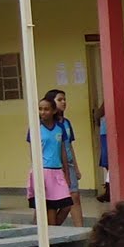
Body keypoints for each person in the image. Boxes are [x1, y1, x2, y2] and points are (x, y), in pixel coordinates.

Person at [26, 94, 76, 226]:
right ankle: (50, 234)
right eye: (40, 109)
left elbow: (63, 151)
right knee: (51, 207)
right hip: (44, 171)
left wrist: (66, 172)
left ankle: (51, 230)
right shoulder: (35, 129)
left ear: (54, 111)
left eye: (46, 109)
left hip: (58, 172)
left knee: (67, 205)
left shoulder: (60, 129)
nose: (43, 112)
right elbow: (33, 152)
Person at [45, 89, 84, 225]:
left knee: (74, 196)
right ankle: (50, 228)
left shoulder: (66, 123)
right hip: (53, 167)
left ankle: (80, 229)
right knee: (52, 202)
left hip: (69, 165)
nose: (64, 102)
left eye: (64, 99)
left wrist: (76, 167)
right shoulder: (47, 125)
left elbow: (69, 145)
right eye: (59, 100)